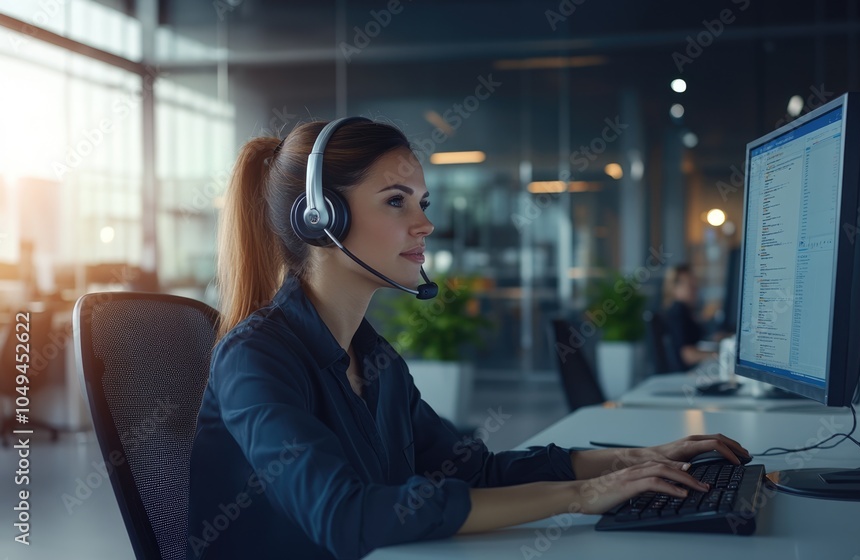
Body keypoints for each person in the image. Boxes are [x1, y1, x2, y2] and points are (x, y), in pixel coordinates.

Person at [187, 117, 750, 559]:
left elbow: (472, 471)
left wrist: (633, 461)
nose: (425, 224)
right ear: (321, 218)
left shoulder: (375, 358)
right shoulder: (255, 358)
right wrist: (581, 497)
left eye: (422, 202)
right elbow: (345, 517)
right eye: (396, 200)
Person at [661, 264, 718, 371]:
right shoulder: (677, 312)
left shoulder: (684, 311)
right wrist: (719, 354)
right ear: (675, 288)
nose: (695, 289)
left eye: (695, 285)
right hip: (684, 373)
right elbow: (687, 355)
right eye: (690, 286)